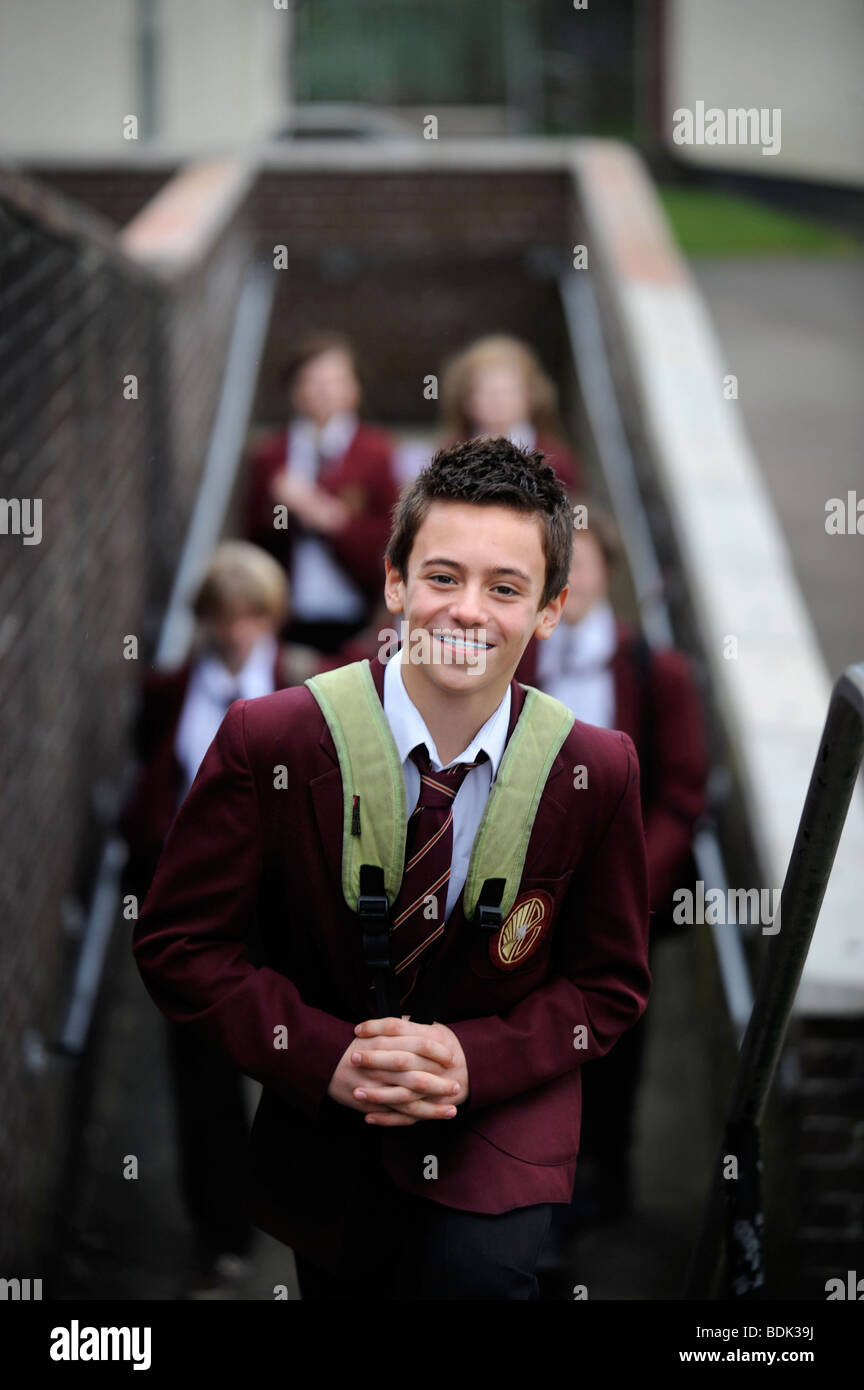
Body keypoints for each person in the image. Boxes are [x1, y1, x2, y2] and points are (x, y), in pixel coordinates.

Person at [132, 438, 650, 1301]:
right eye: (442, 577)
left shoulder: (597, 768)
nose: (468, 612)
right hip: (332, 1125)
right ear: (394, 584)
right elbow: (182, 944)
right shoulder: (275, 739)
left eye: (506, 588)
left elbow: (607, 986)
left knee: (473, 1280)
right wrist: (322, 1055)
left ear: (552, 610)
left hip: (502, 1116)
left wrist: (471, 1058)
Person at [120, 540, 316, 1296]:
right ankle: (221, 1232)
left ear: (271, 618)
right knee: (198, 1072)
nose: (236, 633)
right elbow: (151, 778)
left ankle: (294, 1212)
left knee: (292, 1054)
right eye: (222, 618)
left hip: (280, 904)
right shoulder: (169, 689)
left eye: (251, 617)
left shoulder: (302, 685)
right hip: (197, 906)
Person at [515, 502, 708, 1226]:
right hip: (530, 895)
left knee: (617, 1042)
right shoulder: (520, 657)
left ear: (606, 574)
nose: (571, 576)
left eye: (583, 561)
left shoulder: (656, 671)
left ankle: (605, 1176)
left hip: (626, 899)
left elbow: (683, 794)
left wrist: (630, 888)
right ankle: (537, 1176)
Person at [245, 331, 399, 655]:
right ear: (295, 392)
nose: (324, 391)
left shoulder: (375, 451)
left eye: (335, 380)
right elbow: (256, 537)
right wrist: (282, 510)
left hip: (357, 614)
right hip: (288, 615)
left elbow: (388, 541)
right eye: (312, 381)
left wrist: (323, 515)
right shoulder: (273, 454)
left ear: (353, 389)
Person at [440, 334, 585, 491]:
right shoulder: (450, 455)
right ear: (466, 399)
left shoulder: (557, 461)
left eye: (508, 391)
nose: (498, 402)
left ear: (531, 397)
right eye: (486, 392)